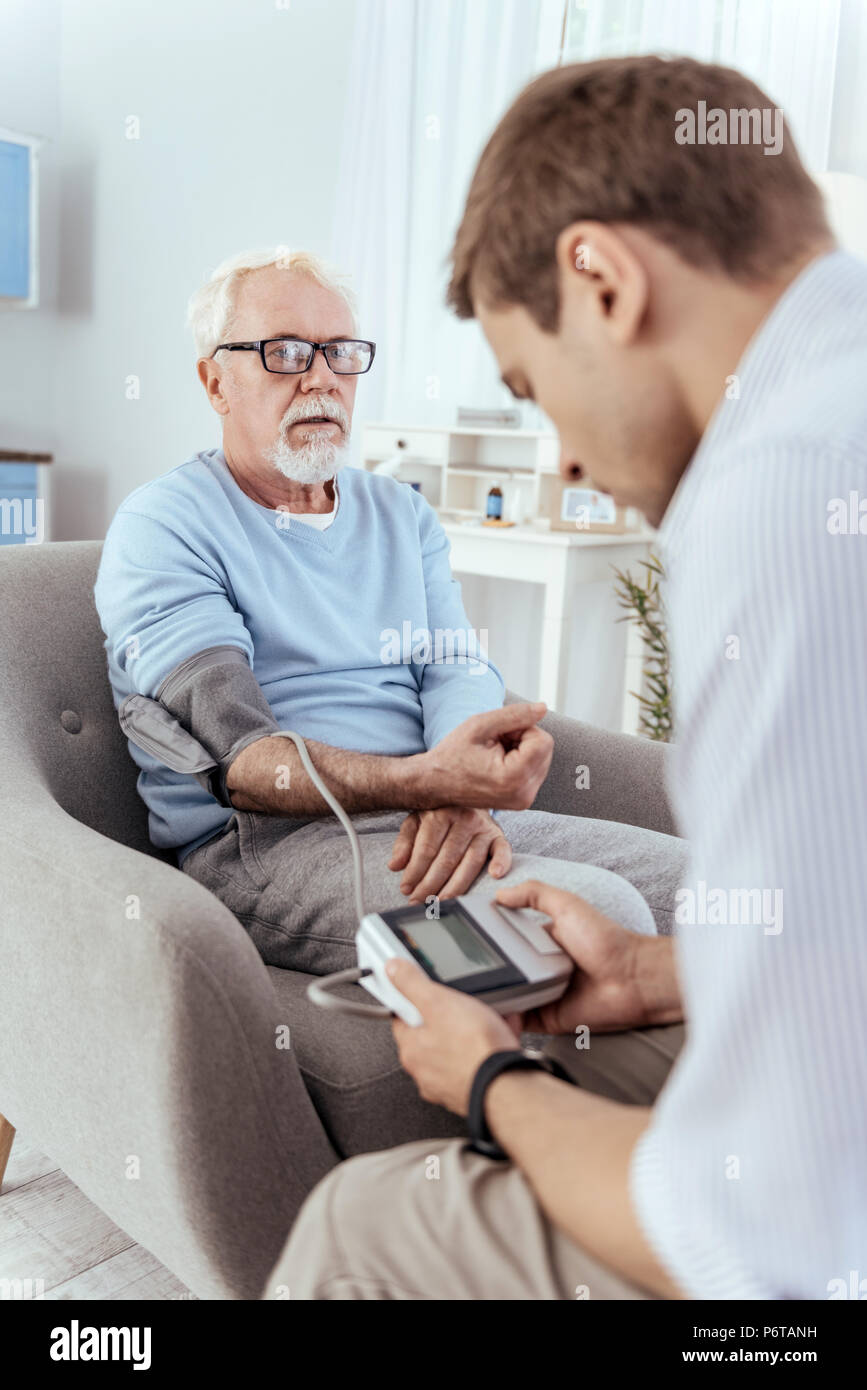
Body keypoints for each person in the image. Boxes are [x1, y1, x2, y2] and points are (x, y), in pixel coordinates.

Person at [265, 54, 866, 1300]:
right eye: (281, 352)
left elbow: (773, 1241)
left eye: (535, 390)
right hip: (317, 832)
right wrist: (656, 975)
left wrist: (495, 1082)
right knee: (607, 968)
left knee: (362, 1227)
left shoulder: (783, 496)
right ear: (217, 375)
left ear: (600, 275)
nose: (570, 464)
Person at [94, 246, 686, 978]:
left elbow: (455, 670)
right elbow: (244, 765)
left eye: (341, 354)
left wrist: (459, 787)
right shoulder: (165, 524)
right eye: (284, 353)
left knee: (706, 892)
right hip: (272, 847)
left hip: (431, 815)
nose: (321, 378)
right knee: (593, 918)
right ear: (215, 380)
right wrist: (438, 782)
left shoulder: (399, 512)